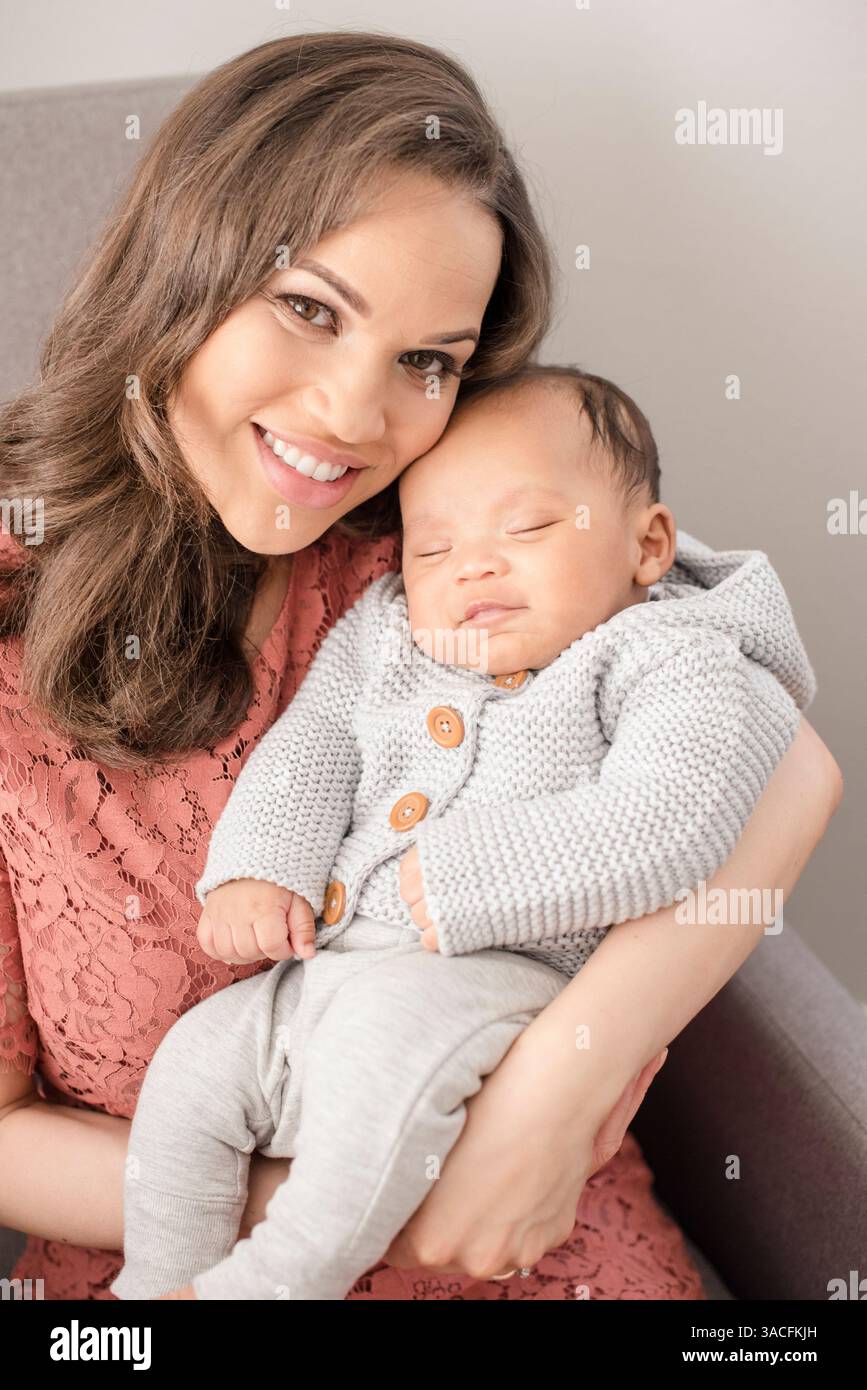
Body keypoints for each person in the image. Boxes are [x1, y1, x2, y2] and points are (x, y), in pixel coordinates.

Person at [0, 32, 842, 1301]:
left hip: (537, 1234)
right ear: (182, 264)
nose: (353, 416)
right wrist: (343, 1197)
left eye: (426, 361)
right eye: (309, 307)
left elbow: (786, 757)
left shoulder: (441, 543)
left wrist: (555, 1091)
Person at [108, 365, 818, 1301]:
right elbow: (317, 741)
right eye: (433, 547)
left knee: (379, 1085)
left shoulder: (671, 656)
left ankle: (264, 1289)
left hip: (493, 977)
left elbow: (668, 821)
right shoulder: (388, 631)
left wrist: (471, 874)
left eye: (524, 529)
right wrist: (261, 866)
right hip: (320, 973)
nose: (473, 563)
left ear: (648, 545)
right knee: (194, 1068)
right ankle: (157, 1290)